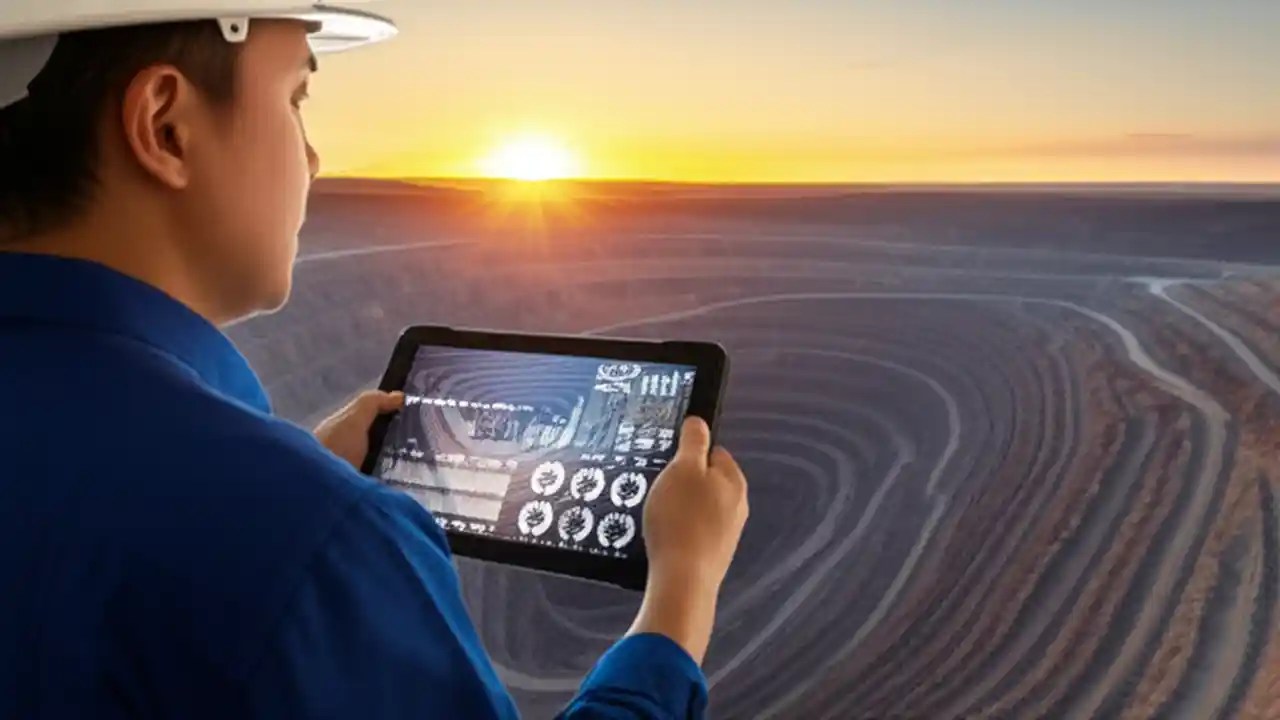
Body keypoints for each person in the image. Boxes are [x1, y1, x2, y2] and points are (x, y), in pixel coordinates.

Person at [0, 3, 750, 718]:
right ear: (166, 127)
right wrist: (681, 591)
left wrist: (288, 477)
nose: (314, 159)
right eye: (294, 98)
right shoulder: (306, 545)